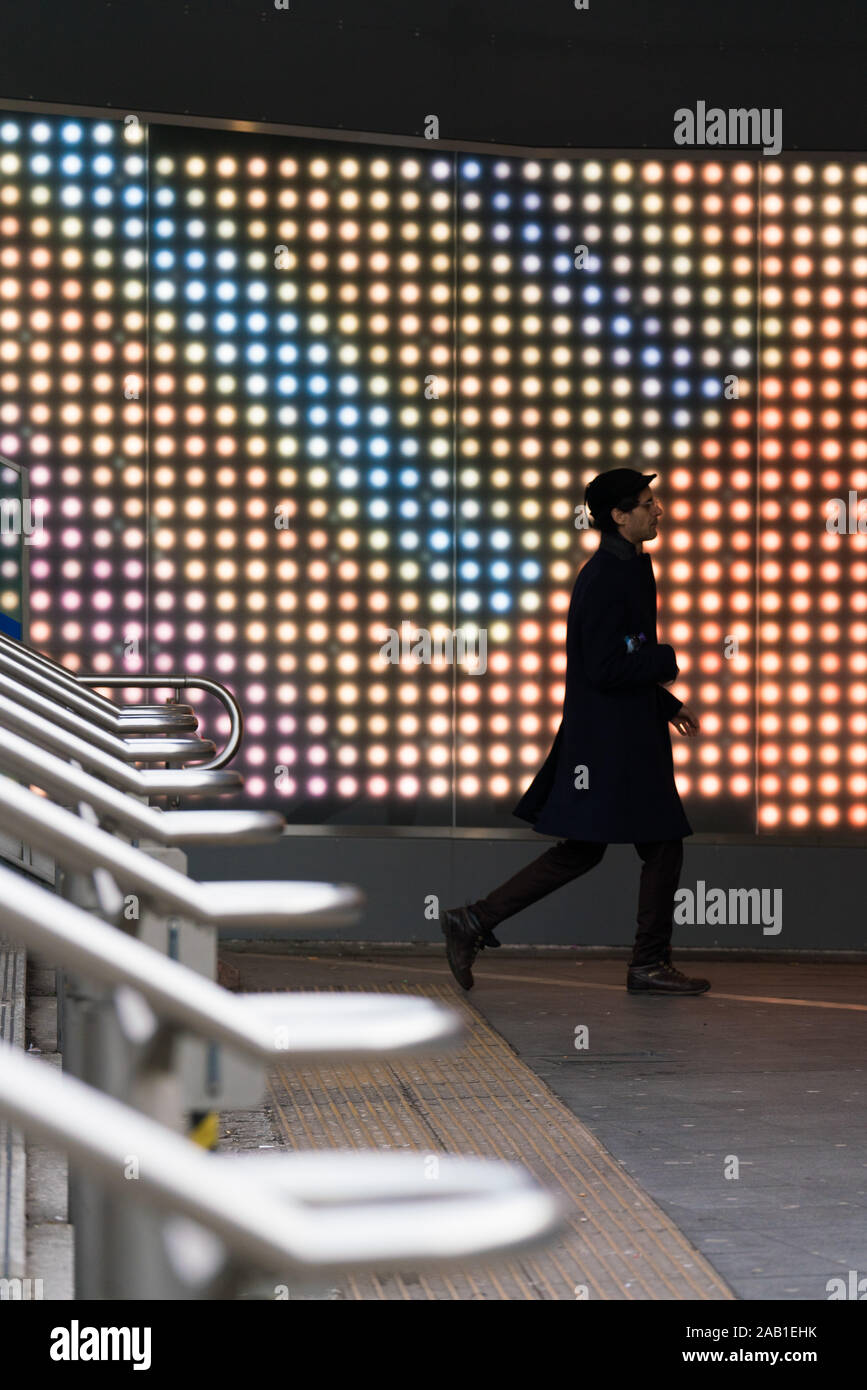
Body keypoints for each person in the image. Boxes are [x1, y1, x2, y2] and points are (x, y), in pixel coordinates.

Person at [441, 467, 710, 997]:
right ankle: (647, 963)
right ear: (618, 515)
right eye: (647, 502)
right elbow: (606, 667)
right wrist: (667, 661)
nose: (658, 510)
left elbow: (623, 653)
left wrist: (663, 700)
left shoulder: (628, 566)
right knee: (658, 844)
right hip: (614, 743)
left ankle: (473, 921)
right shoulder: (608, 577)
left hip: (620, 734)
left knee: (593, 848)